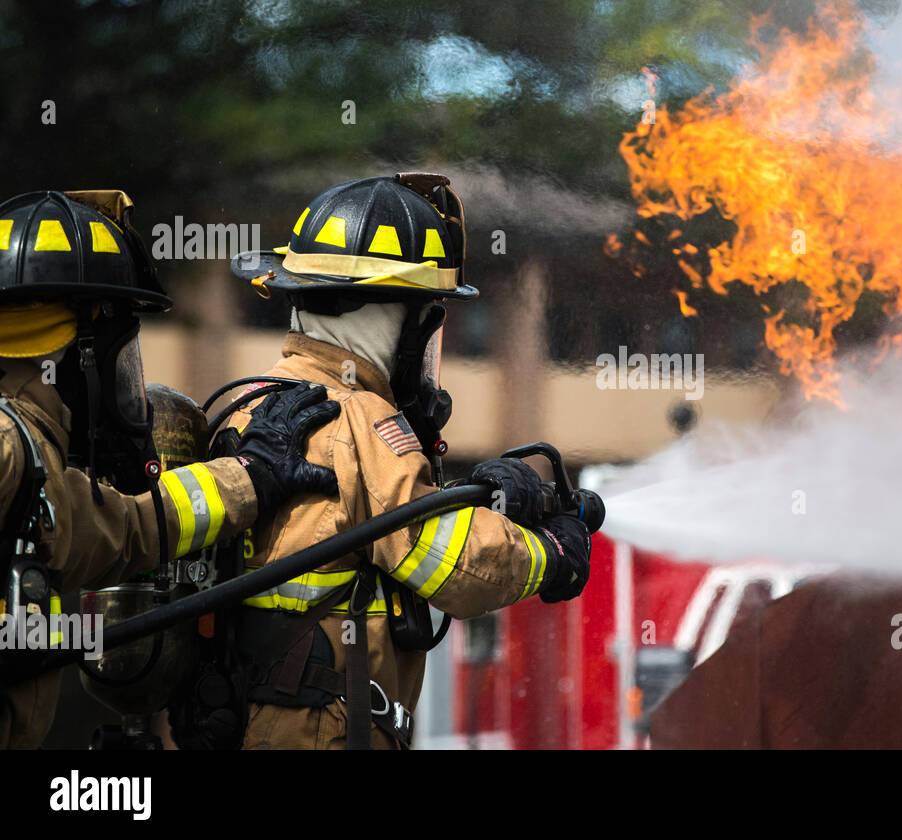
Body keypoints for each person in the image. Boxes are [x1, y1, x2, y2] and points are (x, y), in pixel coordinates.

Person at [226, 173, 591, 749]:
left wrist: (478, 495)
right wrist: (553, 553)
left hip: (247, 718)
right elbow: (455, 566)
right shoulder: (356, 418)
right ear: (389, 317)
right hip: (323, 729)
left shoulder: (249, 407)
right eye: (424, 323)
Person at [0, 189, 340, 749]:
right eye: (122, 359)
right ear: (81, 353)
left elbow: (136, 526)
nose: (129, 388)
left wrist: (252, 475)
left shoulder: (40, 472)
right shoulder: (11, 447)